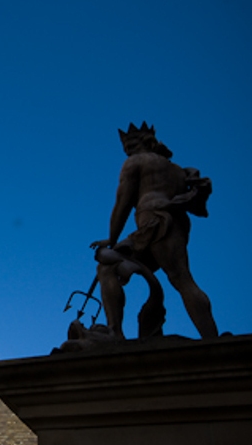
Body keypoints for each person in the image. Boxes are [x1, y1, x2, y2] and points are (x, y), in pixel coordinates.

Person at [91, 122, 218, 338]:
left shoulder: (135, 162)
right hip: (174, 223)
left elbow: (123, 202)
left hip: (154, 220)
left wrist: (112, 238)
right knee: (109, 268)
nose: (127, 149)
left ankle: (211, 339)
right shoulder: (177, 170)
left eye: (130, 144)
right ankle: (115, 331)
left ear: (143, 143)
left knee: (180, 278)